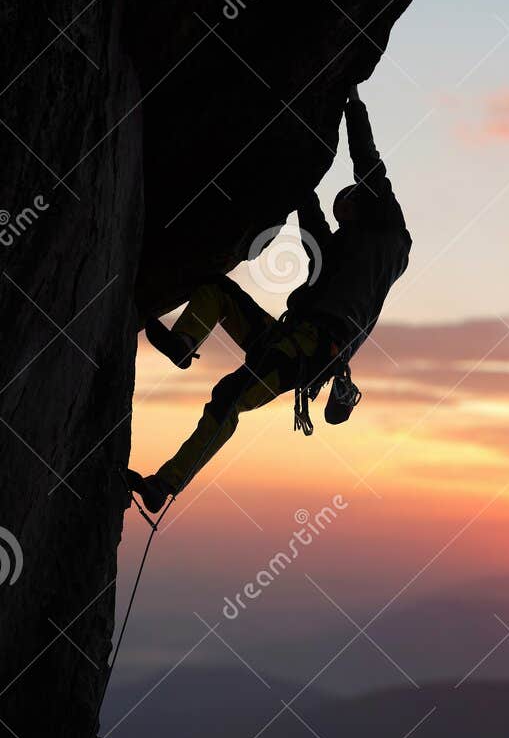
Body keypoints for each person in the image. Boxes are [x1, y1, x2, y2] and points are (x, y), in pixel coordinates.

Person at [126, 88, 411, 513]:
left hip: (311, 349)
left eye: (345, 204)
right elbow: (316, 234)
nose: (341, 213)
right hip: (289, 339)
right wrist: (303, 189)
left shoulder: (386, 229)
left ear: (361, 202)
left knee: (229, 397)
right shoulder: (347, 249)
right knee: (216, 291)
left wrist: (352, 101)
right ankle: (184, 344)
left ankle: (164, 485)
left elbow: (367, 162)